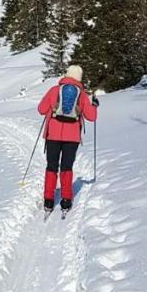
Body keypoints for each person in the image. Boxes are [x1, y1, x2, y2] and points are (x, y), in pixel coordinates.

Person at [37, 64, 98, 212]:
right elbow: (92, 117)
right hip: (72, 137)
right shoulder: (82, 94)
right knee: (67, 167)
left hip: (53, 135)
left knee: (51, 166)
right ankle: (66, 199)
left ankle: (48, 200)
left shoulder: (54, 90)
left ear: (66, 74)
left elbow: (41, 109)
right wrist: (94, 105)